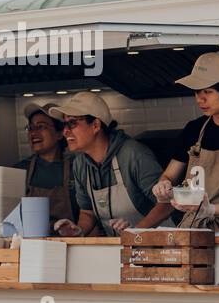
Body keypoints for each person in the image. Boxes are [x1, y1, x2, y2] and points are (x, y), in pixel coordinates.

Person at [152, 52, 219, 231]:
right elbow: (169, 175)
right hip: (193, 231)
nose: (200, 99)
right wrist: (163, 186)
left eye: (208, 92)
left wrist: (211, 209)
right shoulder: (194, 130)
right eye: (197, 92)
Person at [48, 92, 173, 238]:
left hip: (162, 245)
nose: (65, 131)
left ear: (95, 125)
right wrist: (78, 230)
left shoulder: (133, 154)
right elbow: (88, 211)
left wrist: (136, 233)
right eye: (64, 124)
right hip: (121, 249)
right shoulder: (80, 164)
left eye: (72, 123)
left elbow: (166, 204)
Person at [15, 103, 77, 231]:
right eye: (30, 128)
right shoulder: (20, 170)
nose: (33, 133)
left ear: (60, 133)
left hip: (71, 242)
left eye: (41, 127)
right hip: (31, 244)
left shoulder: (77, 168)